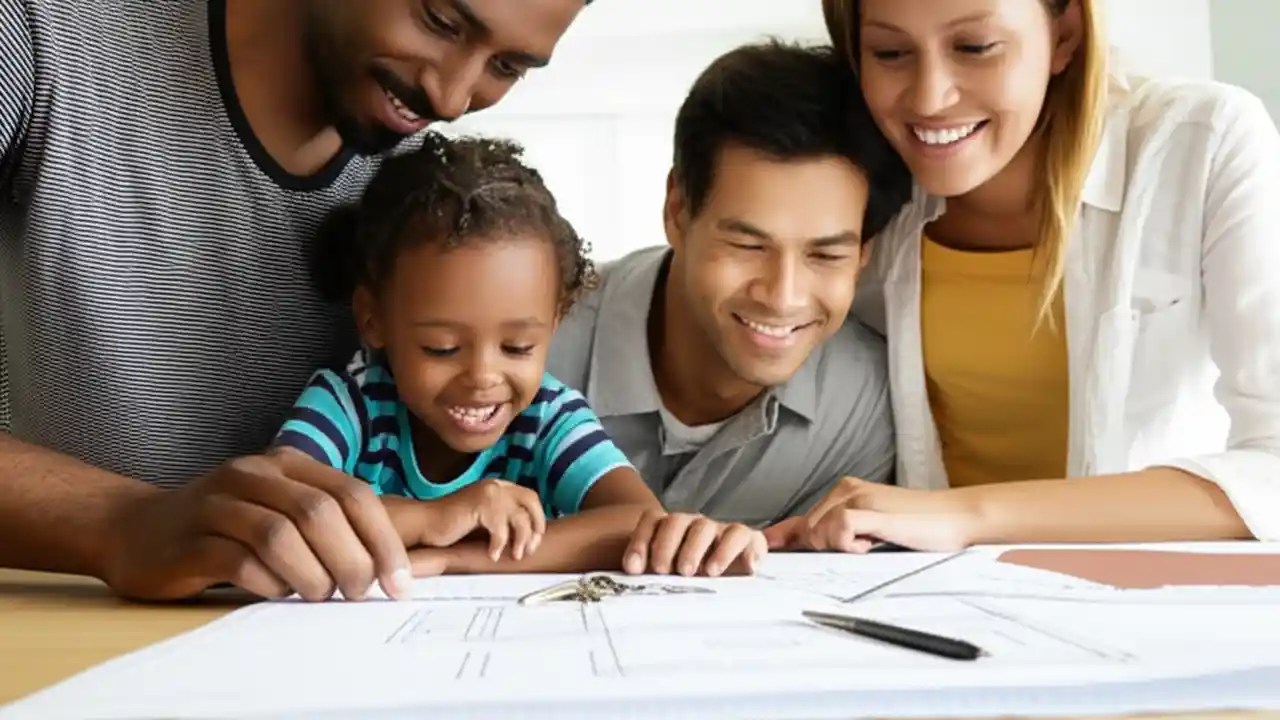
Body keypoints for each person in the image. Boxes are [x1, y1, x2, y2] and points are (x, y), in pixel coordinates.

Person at [0, 0, 593, 601]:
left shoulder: (433, 205)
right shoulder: (44, 34)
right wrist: (121, 523)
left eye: (509, 66)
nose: (450, 100)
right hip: (66, 632)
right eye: (439, 20)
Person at [769, 0, 1280, 553]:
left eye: (975, 48)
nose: (929, 98)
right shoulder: (863, 188)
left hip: (1147, 600)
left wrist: (966, 515)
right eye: (890, 53)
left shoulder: (1204, 142)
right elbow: (702, 281)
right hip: (930, 599)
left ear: (1064, 35)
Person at [545, 41, 912, 579]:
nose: (783, 295)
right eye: (748, 246)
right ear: (677, 211)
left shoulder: (862, 407)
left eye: (825, 254)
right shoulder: (533, 342)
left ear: (863, 253)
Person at [272, 134, 660, 596]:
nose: (482, 378)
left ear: (553, 325)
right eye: (441, 348)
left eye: (517, 347)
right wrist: (437, 517)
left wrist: (457, 557)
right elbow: (276, 503)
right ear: (373, 320)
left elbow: (639, 520)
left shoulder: (549, 417)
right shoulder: (351, 402)